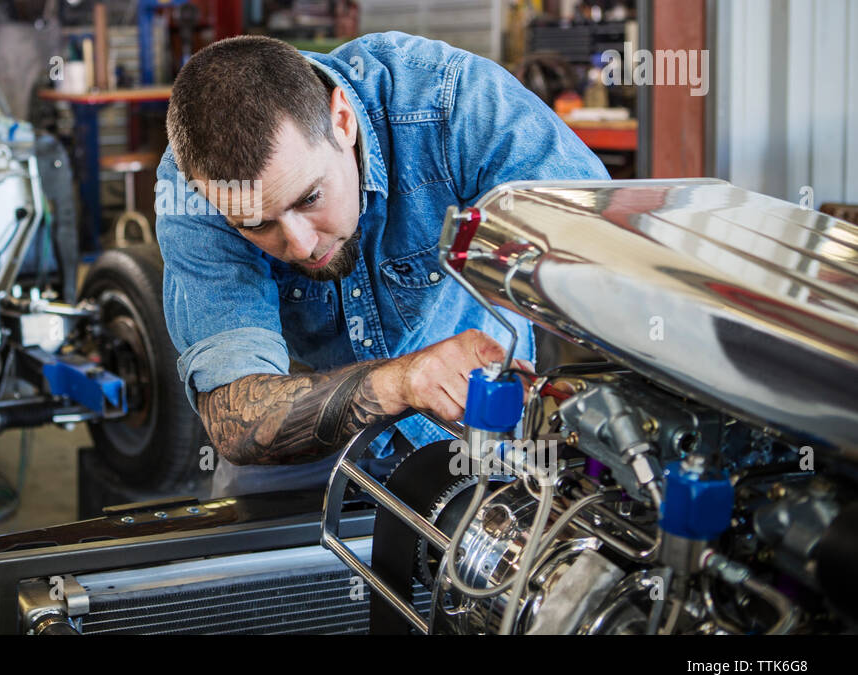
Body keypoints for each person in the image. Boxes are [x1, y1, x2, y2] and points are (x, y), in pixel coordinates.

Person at [155, 32, 609, 497]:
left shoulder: (451, 103)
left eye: (310, 198)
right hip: (302, 438)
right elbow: (238, 422)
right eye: (256, 225)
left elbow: (601, 247)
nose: (301, 245)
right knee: (242, 559)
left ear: (342, 121)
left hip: (474, 421)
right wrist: (402, 382)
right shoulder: (196, 194)